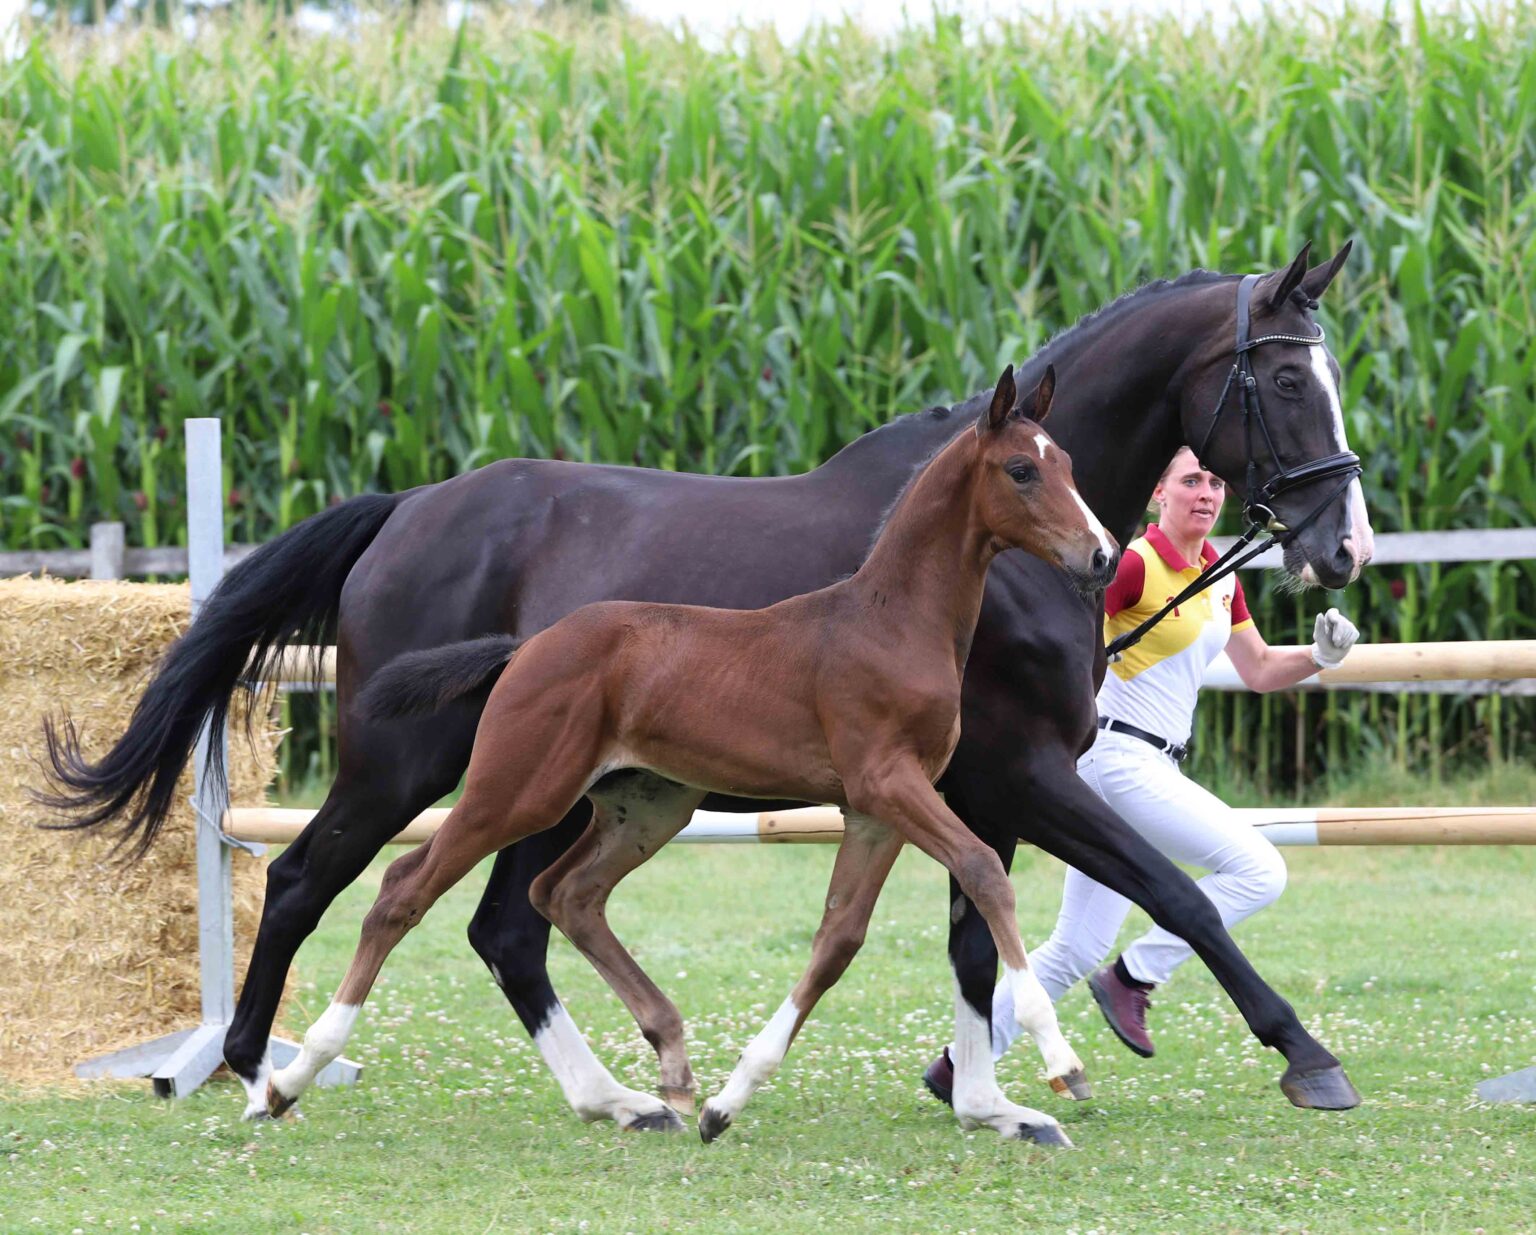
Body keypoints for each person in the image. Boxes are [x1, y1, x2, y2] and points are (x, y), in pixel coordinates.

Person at [926, 446, 1361, 1094]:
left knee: (1074, 946)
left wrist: (1321, 657)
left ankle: (960, 1061)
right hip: (1115, 758)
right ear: (1160, 491)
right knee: (1259, 869)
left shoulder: (1219, 573)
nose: (1206, 493)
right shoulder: (1134, 562)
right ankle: (1135, 975)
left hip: (1153, 765)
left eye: (1215, 481)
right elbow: (1066, 634)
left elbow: (1260, 668)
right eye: (1191, 480)